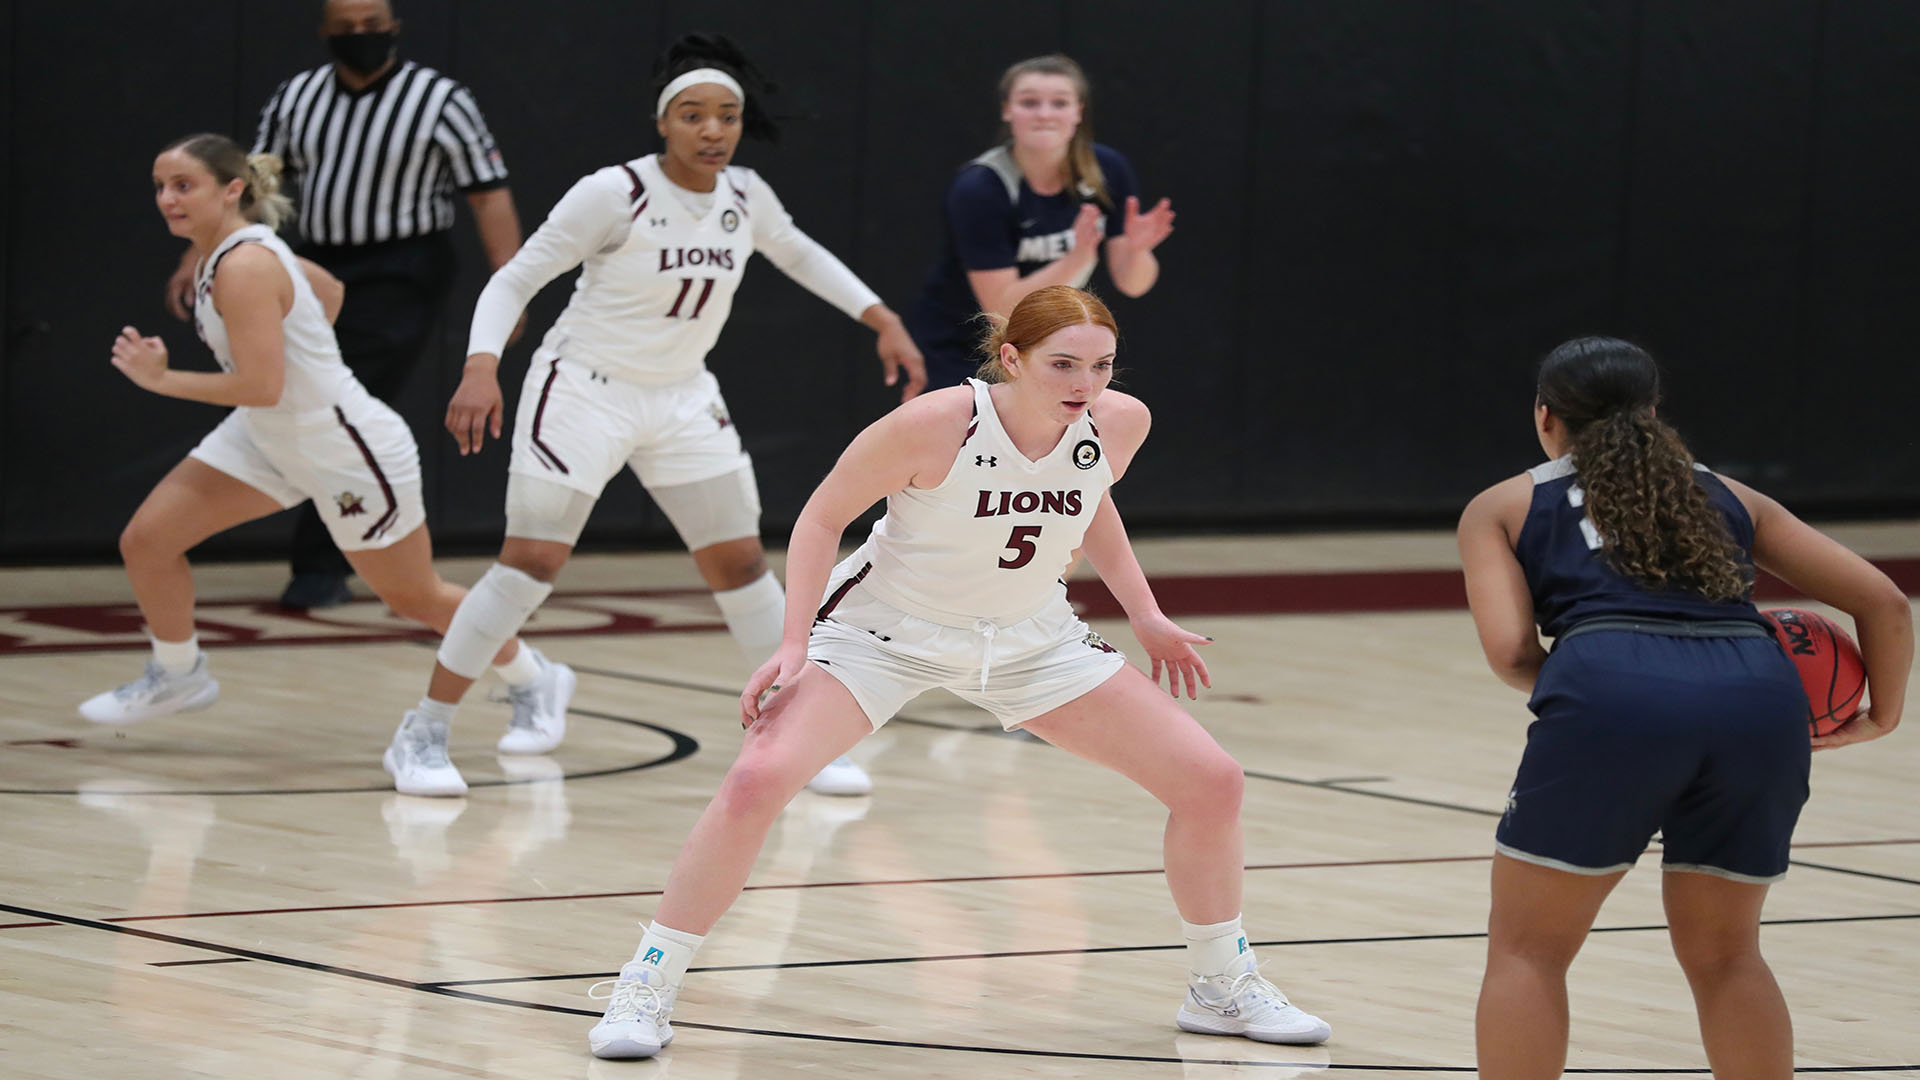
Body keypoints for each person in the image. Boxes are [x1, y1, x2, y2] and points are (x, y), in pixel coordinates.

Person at [583, 285, 1331, 1060]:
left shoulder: (1118, 421)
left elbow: (1088, 501)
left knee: (1213, 781)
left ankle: (1220, 985)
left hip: (1029, 640)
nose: (1085, 383)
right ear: (1011, 358)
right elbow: (821, 515)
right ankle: (649, 982)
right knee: (755, 781)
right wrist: (793, 641)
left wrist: (1141, 611)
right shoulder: (938, 423)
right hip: (883, 633)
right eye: (1063, 364)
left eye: (1101, 365)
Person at [409, 33, 925, 799]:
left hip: (683, 395)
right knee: (531, 564)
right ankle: (424, 731)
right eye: (693, 115)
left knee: (742, 565)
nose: (712, 130)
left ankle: (794, 738)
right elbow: (515, 278)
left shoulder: (747, 196)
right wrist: (481, 363)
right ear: (663, 123)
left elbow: (800, 253)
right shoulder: (613, 193)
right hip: (583, 388)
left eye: (727, 116)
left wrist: (879, 315)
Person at [1456, 337, 1911, 1080]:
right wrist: (1883, 713)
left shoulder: (1505, 503)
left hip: (1610, 684)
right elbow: (1883, 599)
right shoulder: (1732, 494)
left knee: (1527, 952)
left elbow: (1510, 653)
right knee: (1730, 956)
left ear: (1546, 417)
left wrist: (1596, 692)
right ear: (1654, 412)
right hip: (1757, 695)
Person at [86, 135, 567, 797]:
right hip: (269, 436)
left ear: (231, 190)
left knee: (413, 595)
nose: (167, 199)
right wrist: (303, 335)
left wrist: (163, 381)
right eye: (160, 185)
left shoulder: (244, 266)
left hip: (345, 447)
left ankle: (532, 677)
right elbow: (330, 294)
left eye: (183, 185)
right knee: (148, 540)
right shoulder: (223, 255)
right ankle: (179, 672)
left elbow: (262, 384)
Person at [164, 0, 524, 611]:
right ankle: (350, 538)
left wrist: (509, 293)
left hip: (405, 265)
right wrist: (195, 255)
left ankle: (330, 559)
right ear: (326, 33)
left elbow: (489, 197)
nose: (363, 37)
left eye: (374, 26)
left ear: (395, 28)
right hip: (322, 259)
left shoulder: (439, 99)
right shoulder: (296, 97)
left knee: (347, 390)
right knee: (316, 394)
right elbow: (246, 188)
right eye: (348, 29)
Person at [906, 54, 1175, 391]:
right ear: (1007, 110)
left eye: (1060, 103)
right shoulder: (980, 188)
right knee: (961, 439)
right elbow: (1001, 311)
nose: (1045, 114)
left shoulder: (1108, 169)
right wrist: (1076, 259)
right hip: (962, 340)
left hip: (1045, 342)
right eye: (1030, 102)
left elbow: (1134, 284)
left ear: (1079, 111)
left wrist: (1136, 252)